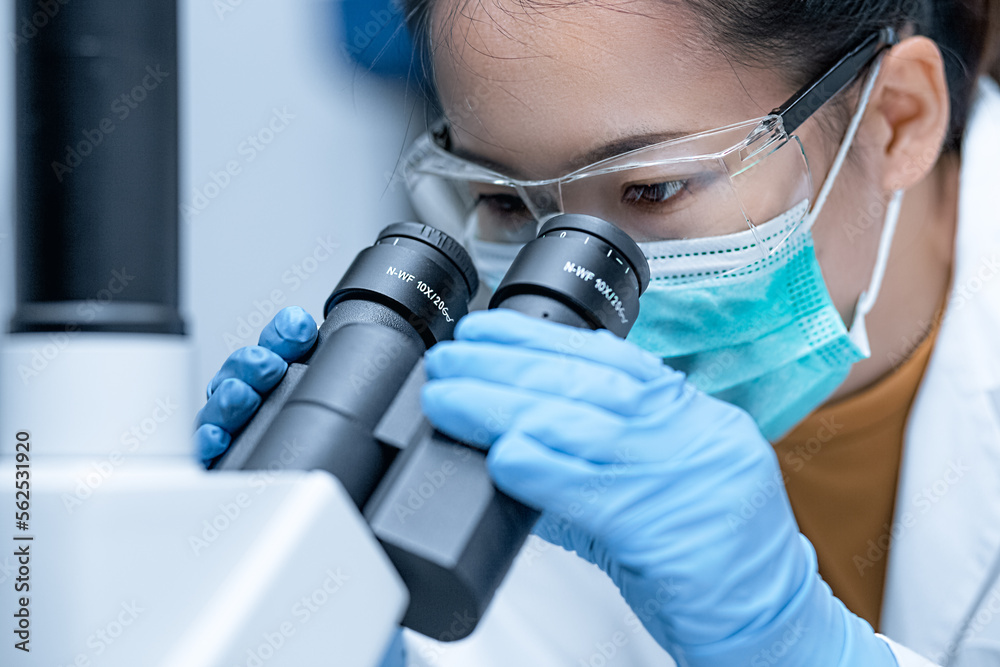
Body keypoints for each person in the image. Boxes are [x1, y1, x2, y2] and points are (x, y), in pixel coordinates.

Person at [194, 0, 1000, 664]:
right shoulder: (505, 439)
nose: (570, 276)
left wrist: (793, 645)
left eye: (652, 190)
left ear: (898, 120)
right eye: (505, 202)